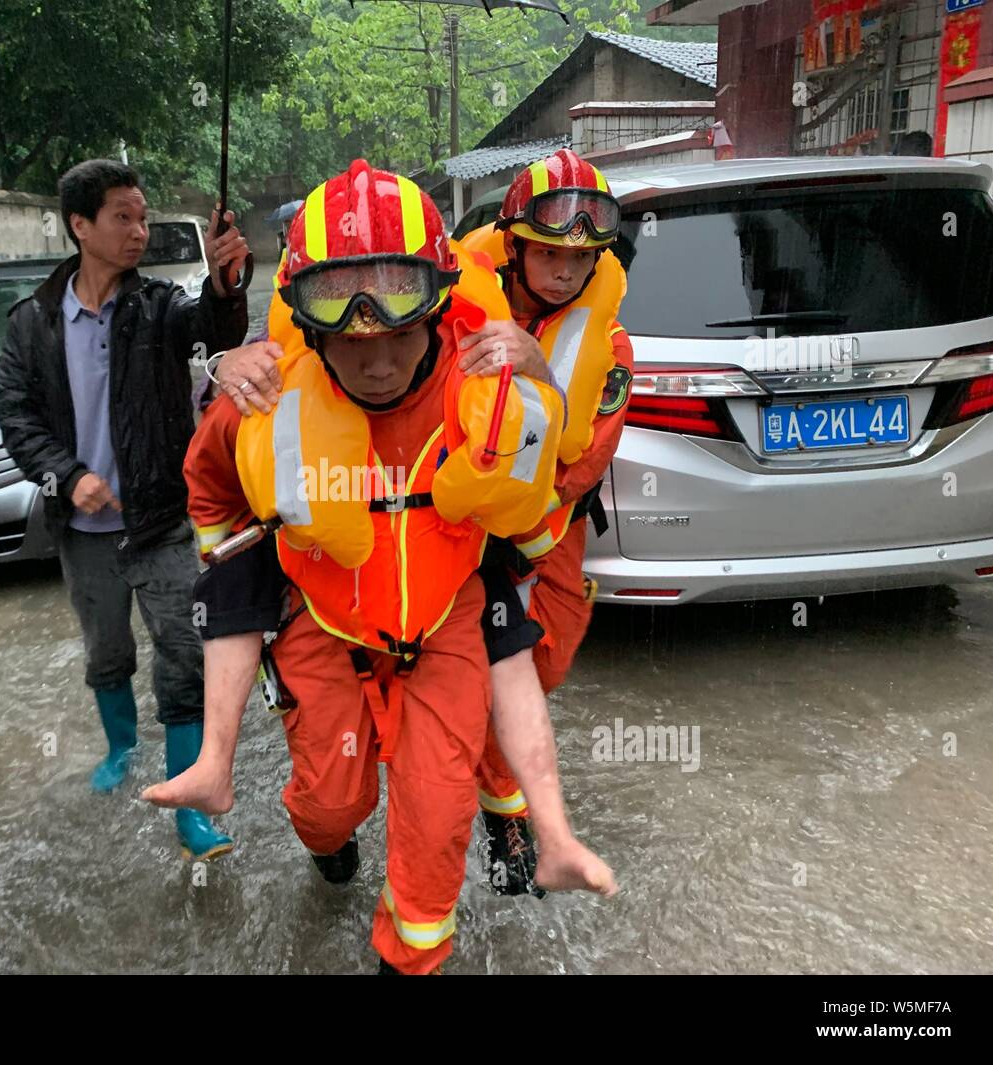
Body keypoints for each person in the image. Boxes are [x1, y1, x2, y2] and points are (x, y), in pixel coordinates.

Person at [144, 160, 607, 973]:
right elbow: (209, 489)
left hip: (446, 622)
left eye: (400, 333)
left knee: (436, 821)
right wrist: (238, 591)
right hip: (322, 623)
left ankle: (411, 957)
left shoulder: (492, 383)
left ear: (439, 307)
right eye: (352, 341)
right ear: (307, 324)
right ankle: (329, 850)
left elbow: (545, 485)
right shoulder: (263, 395)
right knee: (330, 805)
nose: (379, 363)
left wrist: (541, 387)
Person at [0, 158, 249, 861]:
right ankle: (119, 748)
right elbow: (17, 418)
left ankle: (191, 803)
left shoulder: (160, 307)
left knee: (185, 651)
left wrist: (227, 282)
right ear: (80, 225)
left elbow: (214, 332)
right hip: (82, 534)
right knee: (107, 650)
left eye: (143, 217)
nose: (139, 231)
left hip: (162, 520)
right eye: (123, 218)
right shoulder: (32, 323)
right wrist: (66, 475)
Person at [458, 148, 634, 895]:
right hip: (458, 526)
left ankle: (499, 796)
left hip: (550, 534)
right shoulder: (456, 318)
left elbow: (582, 462)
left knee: (545, 665)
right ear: (515, 245)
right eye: (550, 252)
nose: (565, 270)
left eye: (582, 256)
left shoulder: (611, 350)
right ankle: (488, 810)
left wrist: (540, 375)